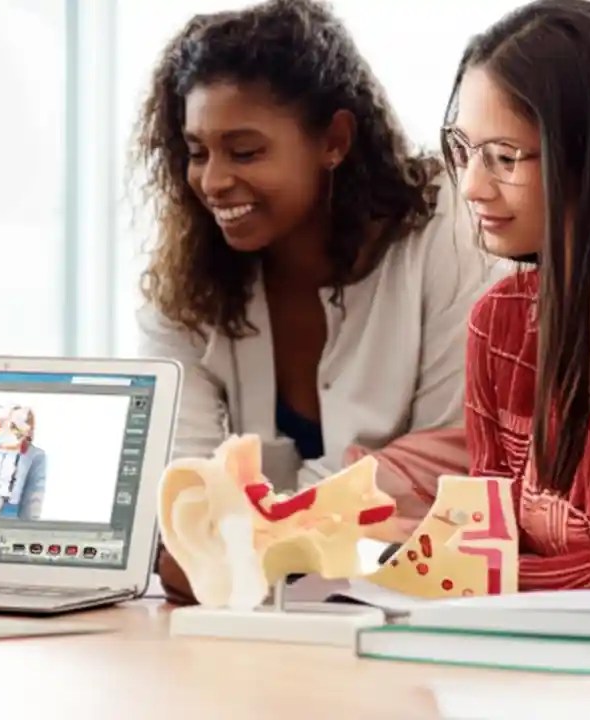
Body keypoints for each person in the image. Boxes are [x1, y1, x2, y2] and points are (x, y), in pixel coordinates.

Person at [133, 0, 501, 602]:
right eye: (197, 151)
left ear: (334, 140)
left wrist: (254, 542)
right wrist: (239, 542)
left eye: (244, 152)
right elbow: (181, 500)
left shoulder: (448, 231)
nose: (213, 181)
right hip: (263, 615)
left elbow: (453, 459)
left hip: (413, 607)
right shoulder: (188, 278)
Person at [454, 0, 590, 590]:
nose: (471, 186)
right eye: (464, 149)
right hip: (525, 641)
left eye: (503, 157)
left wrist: (437, 589)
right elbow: (486, 546)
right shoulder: (498, 322)